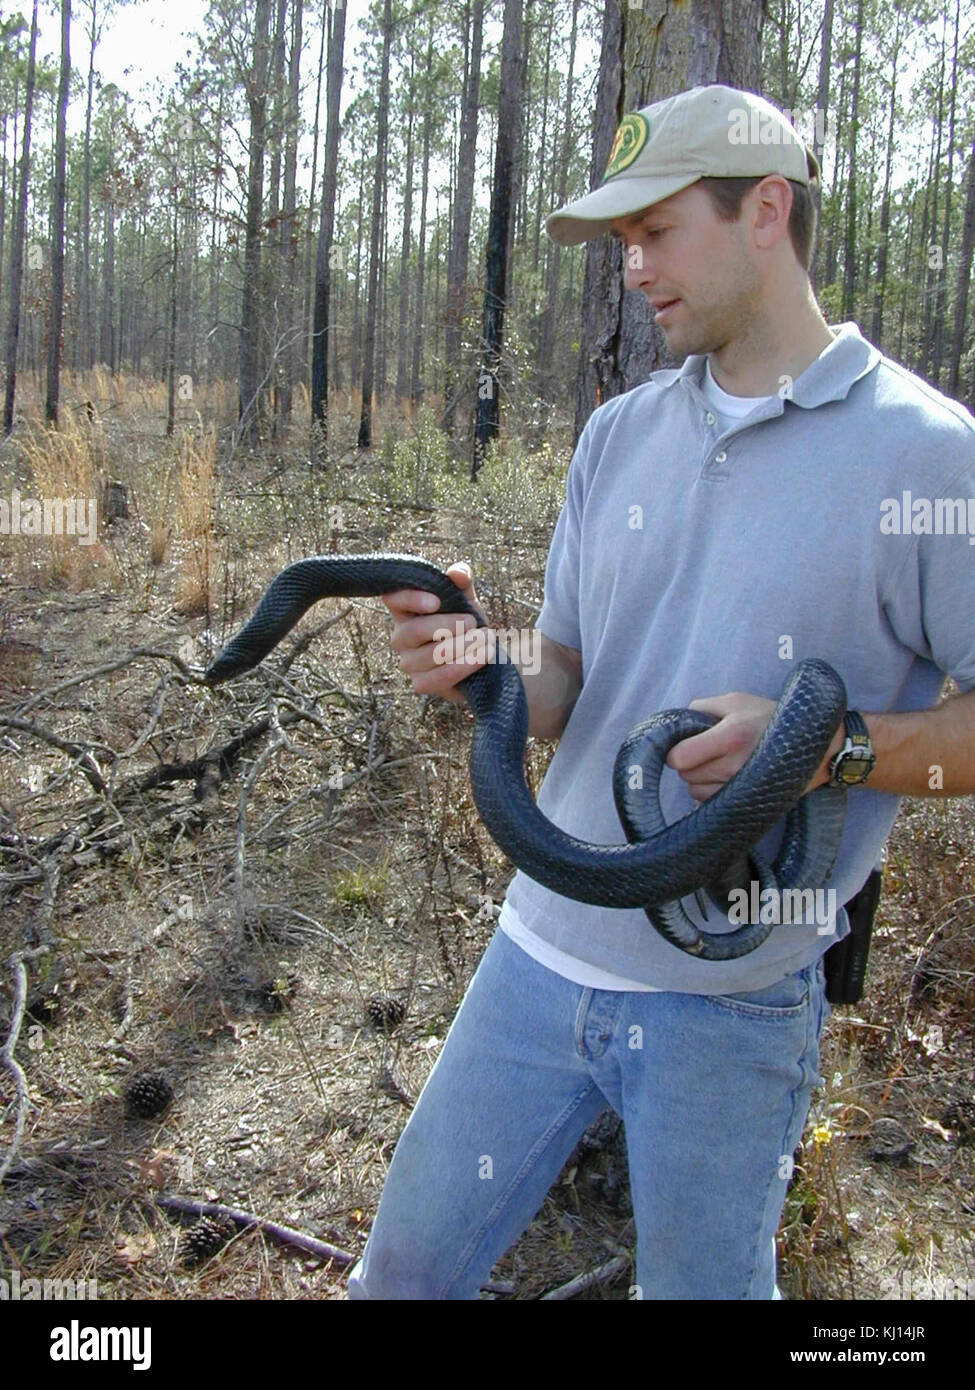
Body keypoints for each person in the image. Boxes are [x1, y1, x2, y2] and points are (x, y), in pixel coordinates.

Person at [346, 84, 975, 1300]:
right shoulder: (618, 435)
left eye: (656, 231)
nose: (632, 269)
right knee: (399, 1282)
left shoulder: (932, 458)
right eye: (622, 242)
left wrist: (820, 747)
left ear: (767, 211)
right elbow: (572, 679)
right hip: (535, 957)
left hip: (729, 1011)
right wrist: (485, 663)